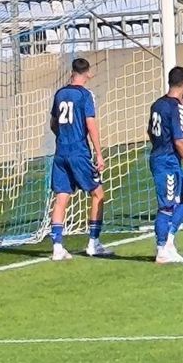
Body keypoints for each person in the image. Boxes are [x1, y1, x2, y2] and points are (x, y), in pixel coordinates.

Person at [48, 58, 111, 261]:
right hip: (79, 152)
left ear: (72, 72)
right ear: (88, 73)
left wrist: (63, 135)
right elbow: (90, 124)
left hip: (60, 153)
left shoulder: (59, 93)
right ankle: (94, 243)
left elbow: (53, 123)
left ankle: (57, 247)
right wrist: (99, 153)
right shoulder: (85, 95)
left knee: (61, 198)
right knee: (98, 193)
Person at [149, 67, 183, 264]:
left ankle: (169, 241)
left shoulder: (157, 104)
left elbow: (150, 132)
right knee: (167, 207)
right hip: (166, 161)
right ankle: (162, 250)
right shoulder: (176, 108)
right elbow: (179, 141)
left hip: (164, 158)